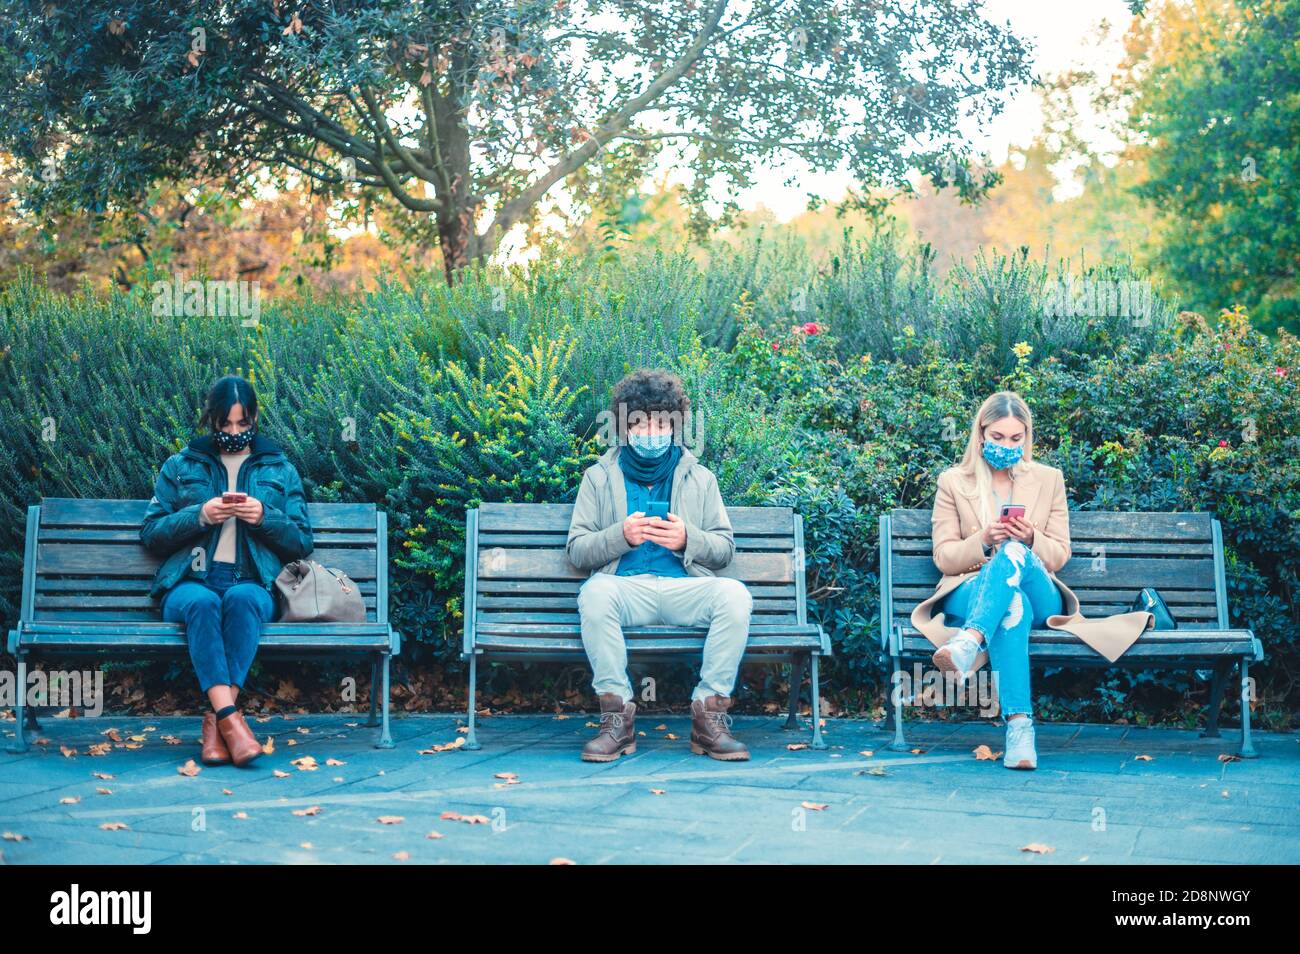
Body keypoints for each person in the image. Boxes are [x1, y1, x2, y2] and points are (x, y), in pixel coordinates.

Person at [910, 391, 1151, 769]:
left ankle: (970, 641)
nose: (1007, 446)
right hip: (969, 589)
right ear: (980, 435)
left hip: (1041, 590)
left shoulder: (1048, 479)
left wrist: (1030, 539)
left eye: (1016, 438)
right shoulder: (954, 482)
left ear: (1027, 437)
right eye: (998, 438)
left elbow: (1060, 555)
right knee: (1013, 606)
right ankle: (1020, 728)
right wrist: (983, 540)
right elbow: (944, 557)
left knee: (1015, 557)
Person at [566, 369, 754, 762]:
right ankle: (616, 721)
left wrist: (690, 539)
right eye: (641, 421)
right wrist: (620, 535)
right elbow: (578, 551)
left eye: (660, 421)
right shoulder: (598, 478)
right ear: (624, 424)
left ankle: (709, 718)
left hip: (683, 589)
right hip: (624, 590)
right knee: (594, 593)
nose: (651, 429)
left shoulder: (700, 478)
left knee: (734, 596)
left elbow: (724, 550)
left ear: (674, 424)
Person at [139, 375, 313, 767]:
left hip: (251, 581)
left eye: (242, 424)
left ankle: (216, 723)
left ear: (254, 421)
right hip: (190, 582)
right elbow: (151, 532)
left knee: (243, 599)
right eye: (225, 424)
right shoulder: (182, 465)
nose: (234, 432)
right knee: (202, 603)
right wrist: (198, 515)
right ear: (211, 420)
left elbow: (301, 540)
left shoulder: (279, 468)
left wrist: (265, 517)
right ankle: (231, 722)